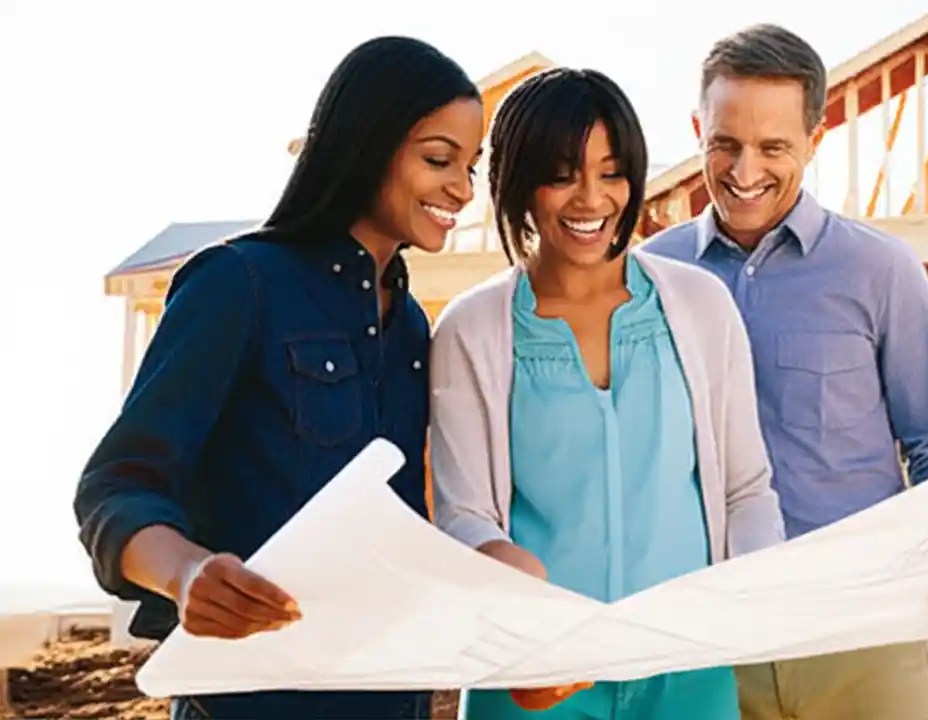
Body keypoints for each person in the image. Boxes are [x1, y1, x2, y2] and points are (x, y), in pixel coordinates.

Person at [73, 36, 485, 720]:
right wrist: (186, 574)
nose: (462, 190)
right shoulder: (238, 285)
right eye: (440, 159)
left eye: (472, 166)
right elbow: (116, 486)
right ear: (366, 143)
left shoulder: (415, 329)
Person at [642, 24, 928, 720]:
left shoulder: (879, 271)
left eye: (774, 148)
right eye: (725, 144)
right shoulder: (648, 277)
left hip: (864, 634)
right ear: (698, 128)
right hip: (707, 640)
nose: (744, 170)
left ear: (814, 141)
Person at [427, 66, 785, 719]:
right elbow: (463, 515)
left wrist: (752, 600)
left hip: (687, 670)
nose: (591, 198)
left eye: (612, 172)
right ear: (517, 186)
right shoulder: (470, 329)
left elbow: (744, 488)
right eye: (561, 175)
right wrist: (510, 594)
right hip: (536, 680)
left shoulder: (701, 306)